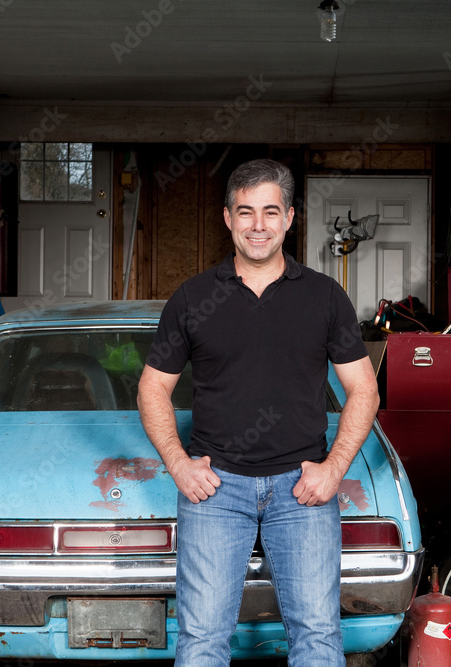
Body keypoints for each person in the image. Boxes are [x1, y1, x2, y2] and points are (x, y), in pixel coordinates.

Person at [137, 158, 379, 666]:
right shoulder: (193, 298)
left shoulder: (325, 298)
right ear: (228, 218)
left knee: (317, 635)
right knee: (201, 639)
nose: (258, 225)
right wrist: (179, 465)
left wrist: (333, 469)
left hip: (303, 491)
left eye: (270, 212)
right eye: (245, 212)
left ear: (290, 217)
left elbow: (364, 391)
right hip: (216, 490)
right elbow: (152, 390)